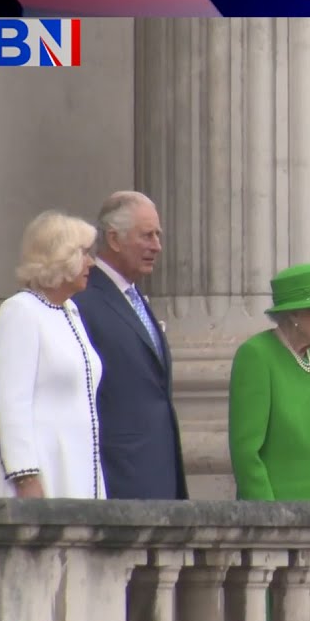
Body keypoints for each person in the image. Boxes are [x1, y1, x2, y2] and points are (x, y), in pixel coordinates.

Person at [71, 191, 188, 500]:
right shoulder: (83, 301)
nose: (157, 246)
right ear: (114, 239)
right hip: (118, 477)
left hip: (159, 472)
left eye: (158, 235)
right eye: (147, 236)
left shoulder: (134, 298)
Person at [0, 211, 104, 499]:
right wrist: (25, 477)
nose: (92, 263)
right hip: (40, 470)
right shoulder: (21, 311)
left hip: (77, 465)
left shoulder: (70, 312)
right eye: (84, 254)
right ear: (62, 258)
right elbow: (12, 401)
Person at [227, 263, 310, 502]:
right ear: (294, 314)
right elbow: (246, 453)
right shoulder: (257, 355)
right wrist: (269, 519)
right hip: (282, 515)